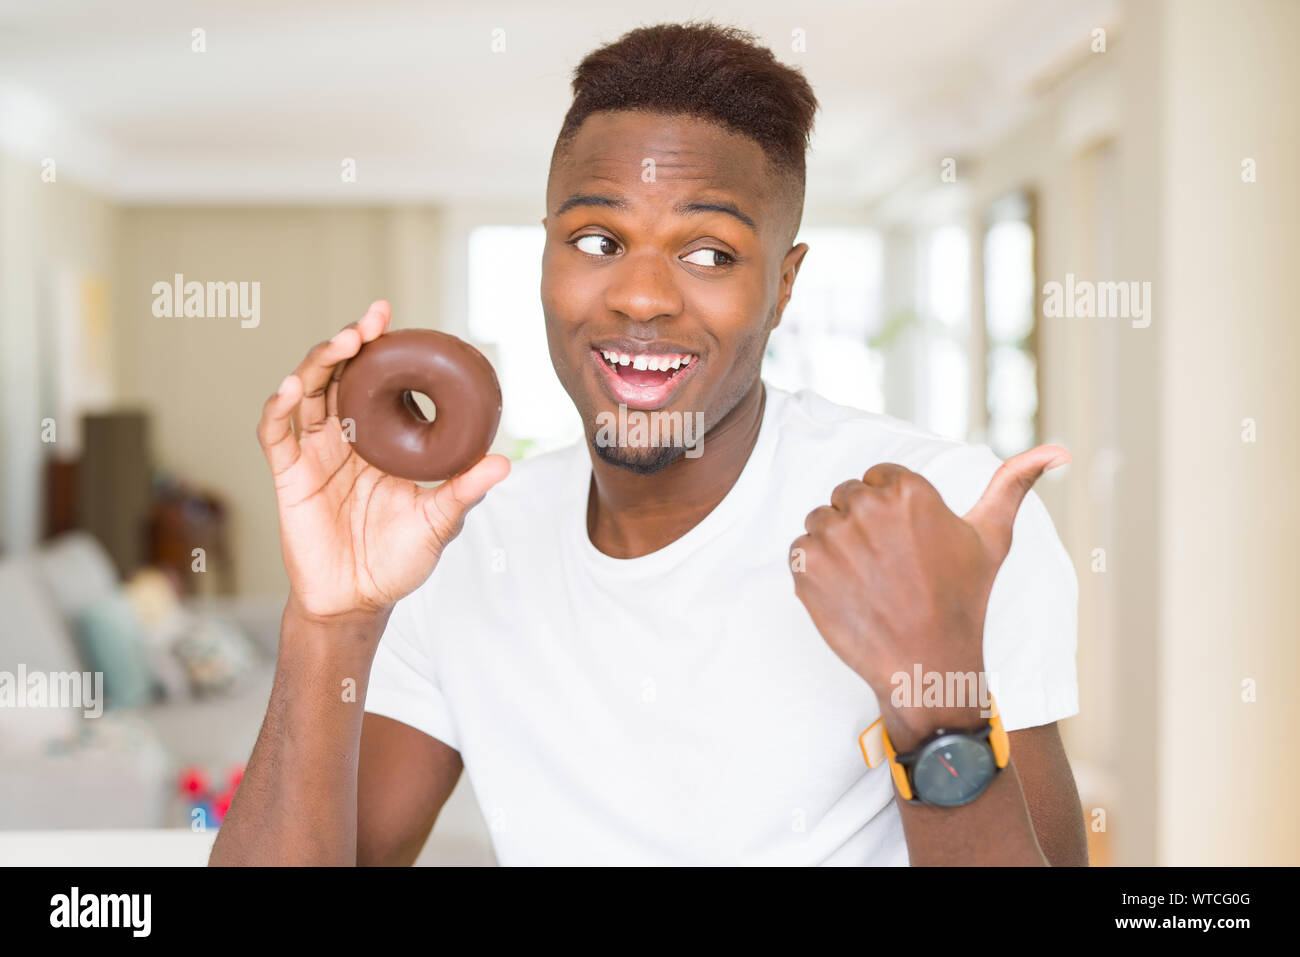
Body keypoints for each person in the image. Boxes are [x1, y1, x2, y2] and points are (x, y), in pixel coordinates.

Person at [212, 21, 1086, 866]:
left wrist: (939, 708)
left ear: (783, 287)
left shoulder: (943, 516)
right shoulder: (465, 542)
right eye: (598, 239)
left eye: (709, 253)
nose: (639, 295)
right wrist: (331, 620)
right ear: (545, 257)